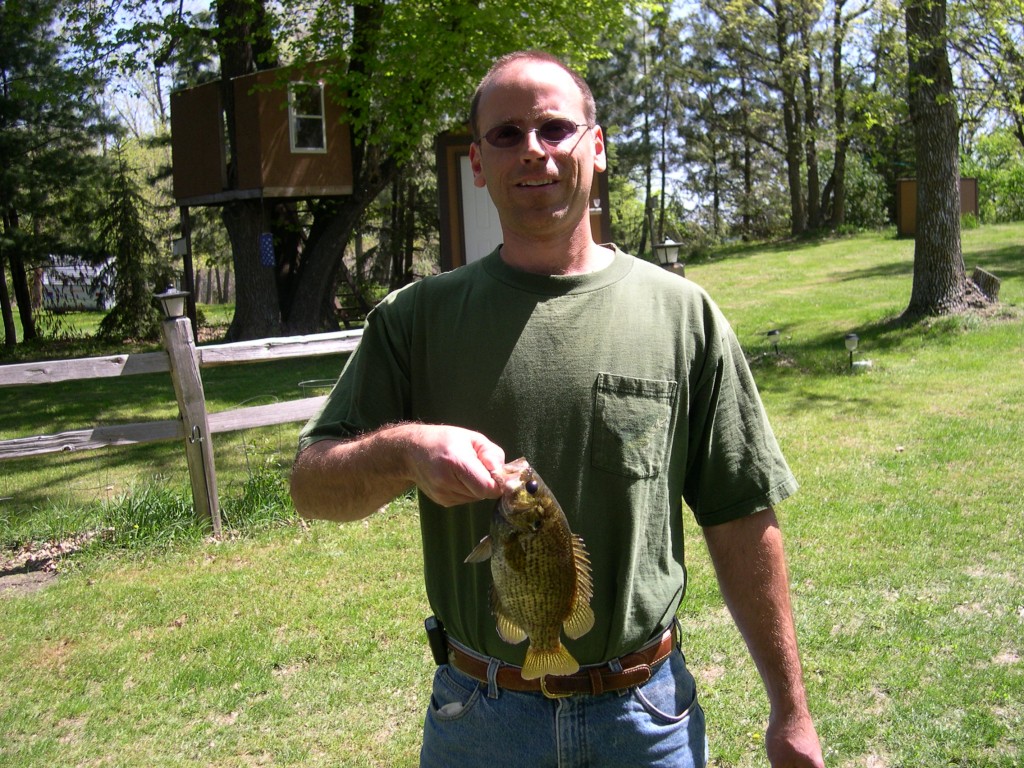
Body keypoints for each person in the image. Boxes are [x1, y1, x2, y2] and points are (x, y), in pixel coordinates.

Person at [290, 50, 824, 768]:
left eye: (555, 129)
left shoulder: (682, 316)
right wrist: (405, 452)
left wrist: (791, 710)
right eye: (506, 134)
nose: (533, 151)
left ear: (595, 147)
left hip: (645, 717)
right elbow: (311, 485)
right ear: (478, 163)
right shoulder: (415, 320)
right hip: (479, 719)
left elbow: (741, 517)